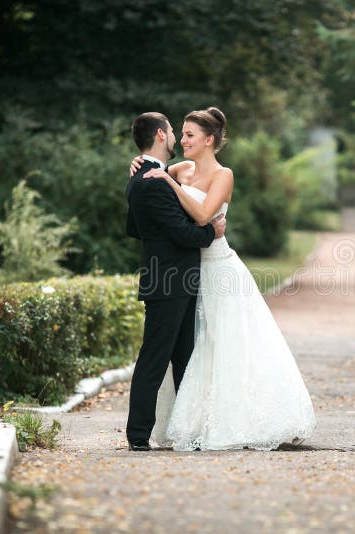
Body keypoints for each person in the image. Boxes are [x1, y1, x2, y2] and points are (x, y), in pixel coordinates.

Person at [130, 107, 316, 451]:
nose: (182, 140)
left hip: (217, 268)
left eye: (189, 135)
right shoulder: (182, 168)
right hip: (186, 271)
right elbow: (152, 178)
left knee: (225, 346)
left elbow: (202, 215)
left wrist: (168, 180)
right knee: (196, 351)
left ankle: (239, 418)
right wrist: (143, 166)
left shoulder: (223, 175)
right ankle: (192, 422)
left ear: (209, 140)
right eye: (180, 133)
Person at [124, 111, 226, 452]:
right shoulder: (152, 180)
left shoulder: (144, 175)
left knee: (185, 359)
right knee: (155, 357)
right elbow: (185, 234)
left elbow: (135, 228)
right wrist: (211, 230)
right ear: (159, 134)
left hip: (179, 281)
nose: (177, 138)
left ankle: (188, 428)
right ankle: (138, 434)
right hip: (168, 281)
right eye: (173, 132)